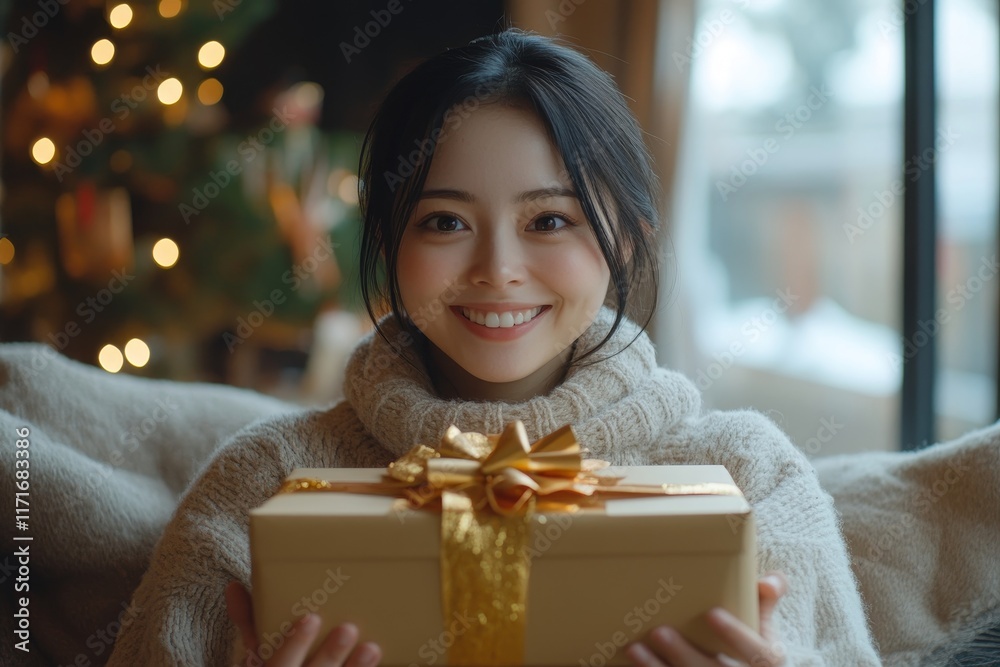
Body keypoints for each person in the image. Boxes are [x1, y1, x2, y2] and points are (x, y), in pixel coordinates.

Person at [107, 29, 881, 667]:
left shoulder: (748, 474)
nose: (498, 270)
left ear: (628, 239)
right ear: (386, 241)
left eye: (550, 221)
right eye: (444, 221)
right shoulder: (264, 483)